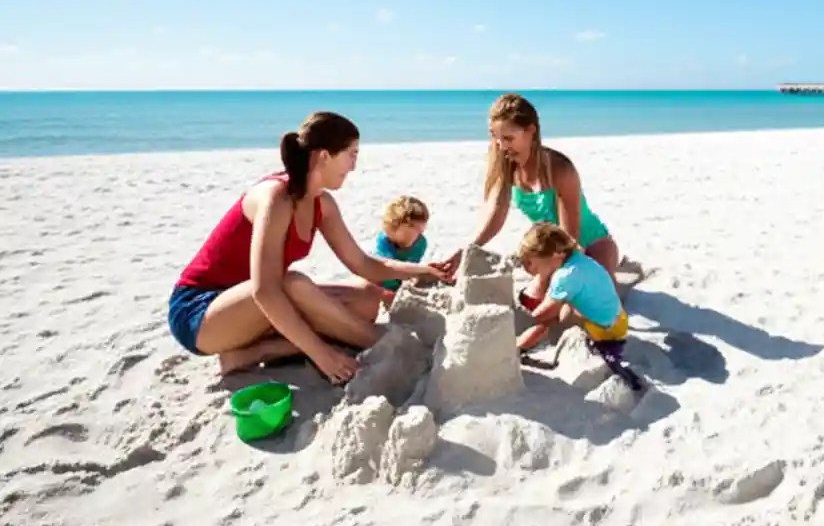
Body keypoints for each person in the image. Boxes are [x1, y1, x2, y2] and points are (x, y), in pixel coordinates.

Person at [166, 112, 452, 382]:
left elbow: (364, 265)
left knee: (367, 298)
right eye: (352, 155)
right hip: (202, 314)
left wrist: (425, 271)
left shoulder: (322, 204)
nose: (354, 165)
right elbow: (265, 290)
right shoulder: (276, 197)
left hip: (258, 306)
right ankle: (384, 342)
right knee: (294, 282)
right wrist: (322, 354)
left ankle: (256, 351)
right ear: (325, 156)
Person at [440, 93, 620, 302]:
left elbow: (570, 239)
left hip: (590, 243)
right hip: (552, 250)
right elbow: (496, 215)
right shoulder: (506, 165)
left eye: (508, 138)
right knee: (533, 300)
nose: (501, 146)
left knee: (596, 299)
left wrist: (554, 275)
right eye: (495, 137)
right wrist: (466, 252)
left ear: (530, 131)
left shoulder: (560, 169)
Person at [515, 222, 642, 391]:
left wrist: (516, 318)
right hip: (619, 318)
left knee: (551, 317)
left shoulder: (564, 277)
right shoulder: (579, 260)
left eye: (531, 264)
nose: (529, 270)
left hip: (605, 330)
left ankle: (518, 348)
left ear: (554, 255)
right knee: (564, 306)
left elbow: (542, 314)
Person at [369, 195, 431, 307]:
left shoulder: (420, 243)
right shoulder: (385, 241)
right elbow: (386, 267)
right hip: (382, 282)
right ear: (394, 227)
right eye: (414, 229)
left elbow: (413, 266)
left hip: (402, 281)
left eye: (421, 231)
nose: (418, 235)